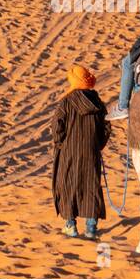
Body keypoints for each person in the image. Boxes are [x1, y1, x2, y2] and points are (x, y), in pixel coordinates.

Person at [51, 65, 111, 240]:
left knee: (66, 184)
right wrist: (97, 144)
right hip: (91, 151)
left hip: (68, 151)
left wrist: (59, 144)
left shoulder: (66, 102)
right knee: (91, 185)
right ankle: (91, 227)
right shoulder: (97, 102)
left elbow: (57, 127)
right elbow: (106, 126)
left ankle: (70, 225)